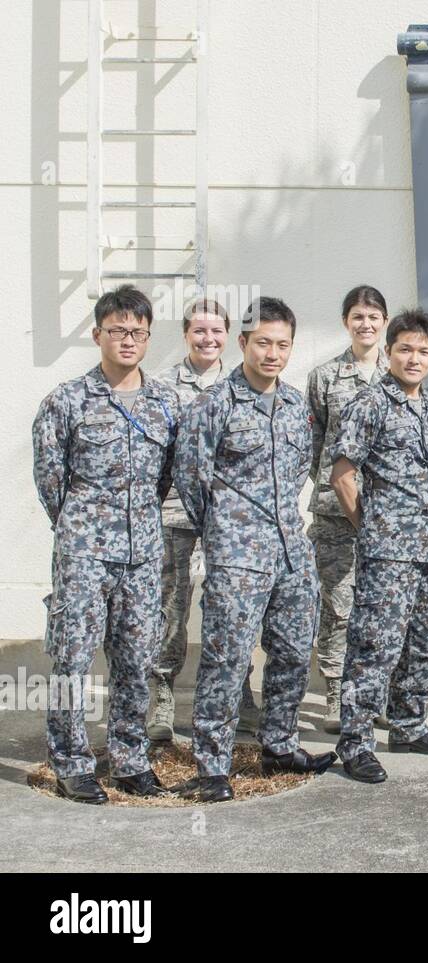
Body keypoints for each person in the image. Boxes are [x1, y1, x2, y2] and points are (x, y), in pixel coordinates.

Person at [174, 297, 336, 803]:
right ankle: (212, 766)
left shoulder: (295, 407)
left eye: (282, 344)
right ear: (242, 342)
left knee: (291, 653)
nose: (272, 353)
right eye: (262, 342)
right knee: (226, 659)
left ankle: (280, 745)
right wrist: (226, 528)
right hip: (238, 556)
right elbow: (190, 478)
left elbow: (298, 475)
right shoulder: (213, 406)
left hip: (291, 552)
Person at [33, 284, 179, 802]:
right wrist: (82, 527)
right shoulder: (66, 401)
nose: (127, 340)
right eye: (117, 330)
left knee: (136, 659)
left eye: (137, 332)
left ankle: (128, 757)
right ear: (98, 334)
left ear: (147, 337)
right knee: (72, 657)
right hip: (83, 555)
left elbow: (163, 480)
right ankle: (71, 760)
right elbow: (51, 480)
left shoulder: (165, 403)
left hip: (142, 556)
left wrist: (132, 523)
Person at [330, 308, 428, 782]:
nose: (414, 358)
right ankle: (356, 741)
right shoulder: (370, 404)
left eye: (423, 351)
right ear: (388, 353)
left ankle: (408, 724)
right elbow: (343, 475)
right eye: (404, 348)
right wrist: (372, 528)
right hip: (389, 554)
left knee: (423, 646)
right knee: (374, 648)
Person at [147, 297, 259, 742]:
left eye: (216, 332)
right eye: (199, 331)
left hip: (227, 517)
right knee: (171, 607)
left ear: (228, 337)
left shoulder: (243, 386)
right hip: (175, 511)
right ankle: (162, 692)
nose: (207, 339)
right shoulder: (162, 388)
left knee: (230, 607)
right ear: (186, 335)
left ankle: (239, 693)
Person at [306, 286, 390, 734]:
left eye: (374, 316)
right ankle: (336, 695)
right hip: (335, 512)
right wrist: (334, 488)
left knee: (376, 607)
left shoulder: (394, 374)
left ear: (385, 321)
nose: (366, 324)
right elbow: (316, 442)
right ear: (346, 322)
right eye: (358, 316)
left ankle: (372, 694)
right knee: (338, 607)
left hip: (386, 513)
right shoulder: (325, 377)